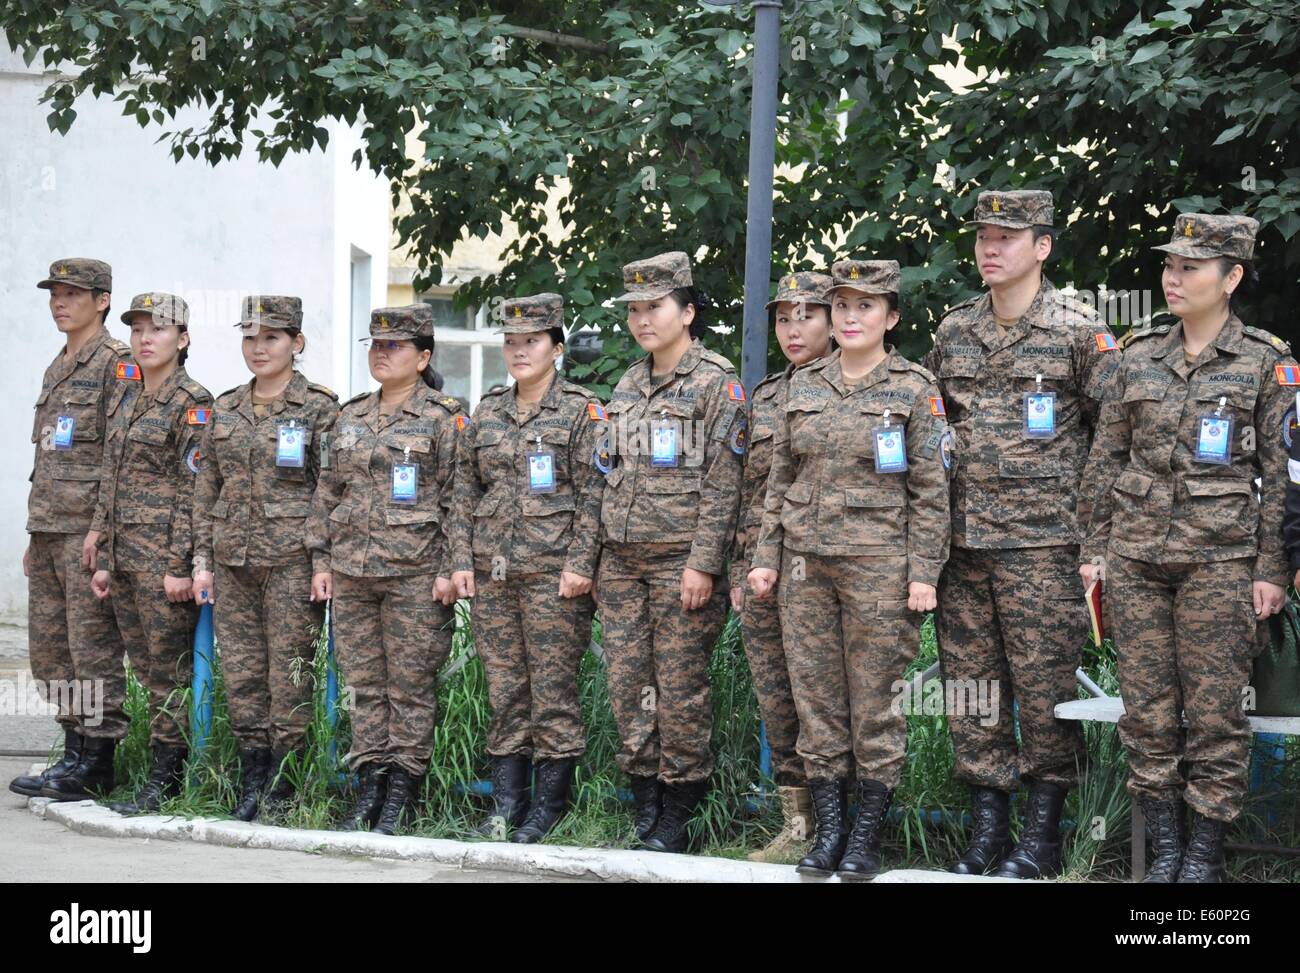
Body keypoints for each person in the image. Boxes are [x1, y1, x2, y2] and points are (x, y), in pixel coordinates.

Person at [1081, 213, 1292, 882]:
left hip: (1223, 563)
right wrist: (1096, 549)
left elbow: (1288, 480)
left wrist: (1272, 570)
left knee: (1214, 714)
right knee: (1145, 712)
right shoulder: (1138, 354)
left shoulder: (1267, 361)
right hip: (1138, 559)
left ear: (1230, 277)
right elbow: (1105, 458)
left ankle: (1203, 853)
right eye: (1169, 266)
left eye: (1190, 267)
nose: (1173, 278)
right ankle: (1163, 848)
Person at [923, 189, 1119, 878]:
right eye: (983, 235)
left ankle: (1041, 838)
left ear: (1042, 246)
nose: (990, 247)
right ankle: (986, 834)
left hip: (1045, 545)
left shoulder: (1079, 330)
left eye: (1008, 236)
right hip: (964, 546)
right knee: (971, 693)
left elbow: (1113, 438)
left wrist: (1096, 545)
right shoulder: (953, 330)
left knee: (1044, 692)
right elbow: (938, 433)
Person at [748, 259, 951, 879]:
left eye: (866, 306)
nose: (850, 317)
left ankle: (865, 836)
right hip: (806, 567)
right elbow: (779, 481)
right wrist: (764, 558)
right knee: (818, 703)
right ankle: (828, 832)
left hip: (880, 570)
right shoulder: (803, 387)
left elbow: (931, 489)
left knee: (873, 704)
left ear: (890, 317)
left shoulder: (914, 388)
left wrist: (924, 572)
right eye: (841, 306)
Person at [597, 250, 745, 853]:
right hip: (622, 560)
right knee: (629, 682)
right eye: (633, 310)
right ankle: (645, 799)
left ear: (686, 311)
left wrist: (704, 562)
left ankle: (681, 807)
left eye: (652, 307)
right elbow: (606, 472)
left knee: (679, 687)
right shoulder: (628, 382)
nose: (641, 320)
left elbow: (724, 481)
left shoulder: (716, 381)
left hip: (680, 560)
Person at [447, 293, 605, 843]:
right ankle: (507, 802)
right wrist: (461, 560)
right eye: (510, 342)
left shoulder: (581, 410)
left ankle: (549, 805)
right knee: (505, 687)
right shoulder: (487, 409)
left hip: (554, 575)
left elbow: (594, 495)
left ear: (556, 348)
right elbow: (464, 490)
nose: (519, 351)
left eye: (531, 341)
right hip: (495, 574)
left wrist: (581, 564)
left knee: (553, 689)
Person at [305, 304, 464, 835]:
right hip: (352, 571)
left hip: (416, 574)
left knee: (410, 686)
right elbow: (327, 492)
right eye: (376, 345)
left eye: (395, 346)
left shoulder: (444, 418)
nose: (381, 353)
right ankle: (368, 784)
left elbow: (457, 500)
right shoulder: (348, 417)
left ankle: (402, 792)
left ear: (423, 357)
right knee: (364, 684)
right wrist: (321, 560)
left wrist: (451, 567)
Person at [192, 296, 339, 821]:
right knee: (243, 674)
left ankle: (284, 780)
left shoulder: (320, 408)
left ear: (296, 344)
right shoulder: (226, 407)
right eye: (250, 337)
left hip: (291, 564)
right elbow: (207, 489)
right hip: (233, 561)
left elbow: (330, 491)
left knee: (290, 674)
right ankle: (252, 773)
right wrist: (202, 561)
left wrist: (322, 562)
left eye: (271, 338)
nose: (259, 347)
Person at [77, 292, 212, 813]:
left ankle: (167, 777)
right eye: (137, 329)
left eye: (157, 330)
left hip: (162, 565)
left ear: (182, 340)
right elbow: (110, 479)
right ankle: (152, 772)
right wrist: (105, 554)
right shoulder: (126, 397)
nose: (144, 338)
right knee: (143, 667)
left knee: (167, 671)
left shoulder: (194, 403)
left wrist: (180, 566)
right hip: (126, 560)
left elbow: (193, 491)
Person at [12, 259, 131, 801]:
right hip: (49, 530)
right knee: (52, 653)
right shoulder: (56, 366)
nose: (60, 303)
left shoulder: (116, 364)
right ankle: (73, 752)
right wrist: (33, 535)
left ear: (102, 300)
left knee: (92, 651)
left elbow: (117, 457)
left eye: (73, 294)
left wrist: (100, 533)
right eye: (55, 294)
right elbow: (48, 459)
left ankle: (98, 762)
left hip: (85, 532)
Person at [729, 271, 835, 863]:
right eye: (784, 318)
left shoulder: (859, 388)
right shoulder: (766, 396)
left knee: (831, 702)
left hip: (826, 570)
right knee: (780, 699)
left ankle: (842, 826)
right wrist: (743, 567)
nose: (793, 330)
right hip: (765, 575)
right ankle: (797, 828)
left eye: (808, 316)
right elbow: (746, 492)